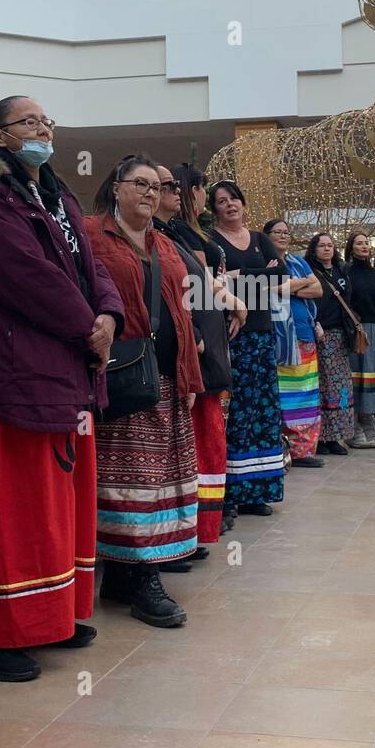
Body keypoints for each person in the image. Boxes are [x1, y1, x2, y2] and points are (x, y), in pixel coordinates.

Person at [0, 95, 124, 683]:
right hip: (14, 377)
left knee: (63, 505)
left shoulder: (57, 195)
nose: (44, 129)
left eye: (48, 121)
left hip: (67, 370)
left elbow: (92, 266)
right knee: (16, 508)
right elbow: (27, 275)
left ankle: (56, 615)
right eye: (29, 122)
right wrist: (89, 326)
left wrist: (108, 313)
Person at [87, 157, 203, 625]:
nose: (151, 193)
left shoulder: (167, 244)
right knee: (132, 482)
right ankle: (142, 577)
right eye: (140, 184)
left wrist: (190, 376)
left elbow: (182, 311)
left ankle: (123, 574)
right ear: (116, 188)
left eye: (158, 187)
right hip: (123, 374)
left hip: (168, 376)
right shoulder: (91, 234)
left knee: (161, 481)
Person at [156, 162, 240, 549]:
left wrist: (233, 300)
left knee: (206, 436)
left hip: (205, 344)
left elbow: (202, 284)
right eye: (167, 186)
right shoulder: (163, 235)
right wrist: (191, 334)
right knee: (189, 439)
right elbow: (183, 291)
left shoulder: (177, 232)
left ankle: (200, 521)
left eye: (176, 186)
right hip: (183, 352)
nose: (178, 192)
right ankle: (179, 531)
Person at [210, 180, 286, 522]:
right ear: (214, 209)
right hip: (232, 334)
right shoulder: (212, 242)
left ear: (242, 202)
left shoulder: (259, 239)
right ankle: (233, 492)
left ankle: (260, 490)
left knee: (264, 411)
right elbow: (212, 283)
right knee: (236, 413)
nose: (229, 205)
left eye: (233, 199)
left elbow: (281, 273)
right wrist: (259, 275)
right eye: (221, 201)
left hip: (261, 332)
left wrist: (241, 274)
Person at [266, 219, 326, 468]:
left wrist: (290, 287)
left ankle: (304, 450)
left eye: (286, 232)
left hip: (305, 336)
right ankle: (285, 448)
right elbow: (272, 287)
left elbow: (319, 290)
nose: (282, 236)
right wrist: (300, 284)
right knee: (284, 396)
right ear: (266, 235)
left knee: (307, 394)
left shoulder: (298, 262)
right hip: (279, 339)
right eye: (277, 232)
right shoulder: (264, 262)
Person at [306, 232, 356, 456]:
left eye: (330, 245)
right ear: (314, 249)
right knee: (321, 385)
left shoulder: (343, 271)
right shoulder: (308, 271)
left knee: (340, 387)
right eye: (322, 245)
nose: (327, 249)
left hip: (340, 335)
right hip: (319, 334)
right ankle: (320, 438)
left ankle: (336, 437)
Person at [344, 232, 375, 446]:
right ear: (351, 247)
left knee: (372, 377)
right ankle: (353, 426)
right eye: (359, 243)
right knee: (355, 378)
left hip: (374, 328)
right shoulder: (346, 271)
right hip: (355, 330)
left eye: (366, 243)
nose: (364, 246)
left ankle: (368, 419)